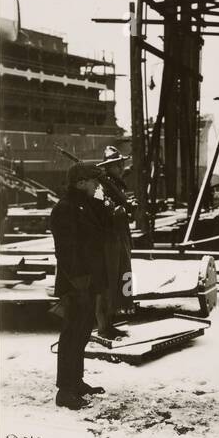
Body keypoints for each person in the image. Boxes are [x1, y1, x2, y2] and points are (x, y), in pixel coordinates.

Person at [49, 164, 109, 409]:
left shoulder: (82, 205)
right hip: (76, 281)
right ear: (80, 182)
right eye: (94, 181)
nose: (97, 185)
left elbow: (103, 223)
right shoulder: (65, 209)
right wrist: (78, 280)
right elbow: (66, 251)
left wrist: (104, 198)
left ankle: (76, 381)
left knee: (83, 332)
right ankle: (65, 390)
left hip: (88, 279)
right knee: (71, 334)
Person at [93, 145, 135, 338]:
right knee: (107, 284)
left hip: (119, 239)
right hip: (108, 242)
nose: (122, 168)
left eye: (121, 164)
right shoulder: (101, 188)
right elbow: (102, 214)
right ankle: (103, 327)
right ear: (109, 167)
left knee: (119, 281)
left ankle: (109, 323)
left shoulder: (116, 186)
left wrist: (127, 209)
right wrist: (122, 211)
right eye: (118, 165)